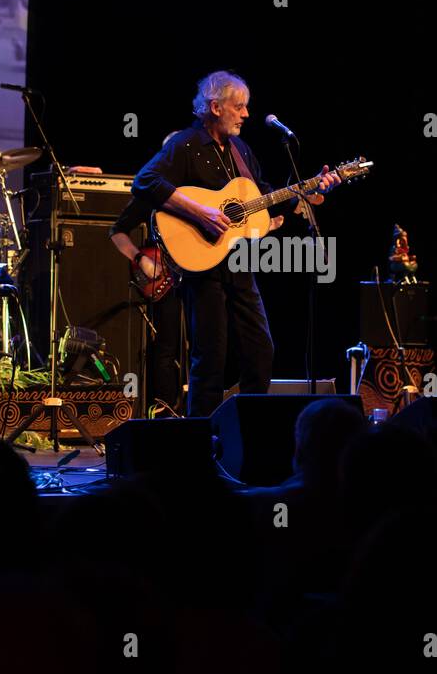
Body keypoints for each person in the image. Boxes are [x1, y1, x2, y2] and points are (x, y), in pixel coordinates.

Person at [131, 71, 341, 417]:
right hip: (204, 266)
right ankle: (200, 445)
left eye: (246, 108)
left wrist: (311, 189)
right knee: (210, 360)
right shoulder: (185, 144)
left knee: (261, 354)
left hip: (240, 266)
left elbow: (265, 196)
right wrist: (200, 213)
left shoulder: (240, 149)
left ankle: (247, 431)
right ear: (215, 107)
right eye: (239, 107)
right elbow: (145, 181)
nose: (246, 115)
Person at [109, 189, 185, 416]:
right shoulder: (153, 194)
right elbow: (117, 230)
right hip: (167, 277)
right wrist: (140, 258)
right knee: (166, 348)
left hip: (197, 276)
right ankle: (165, 411)